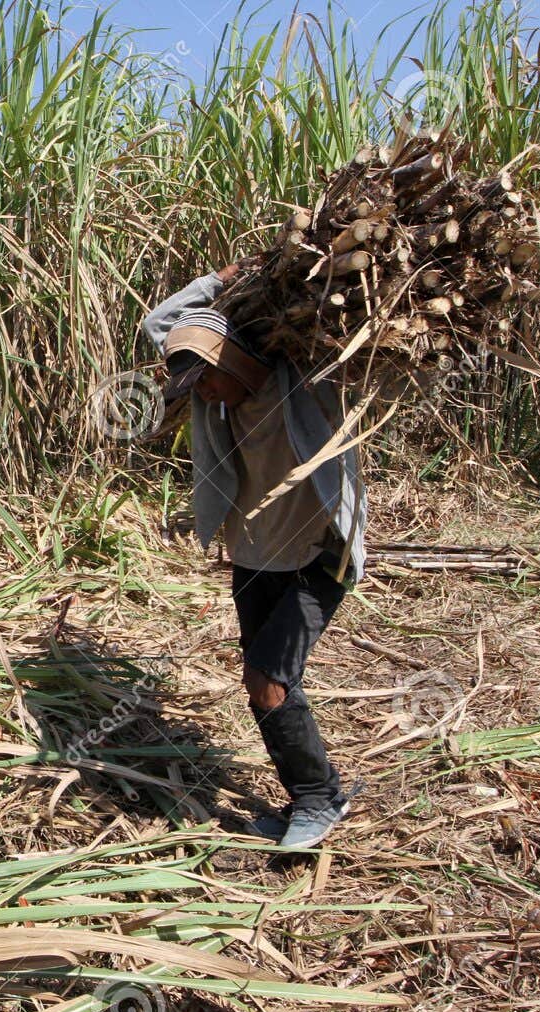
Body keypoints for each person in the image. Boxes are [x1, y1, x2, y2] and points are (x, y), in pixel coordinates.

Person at [140, 263, 368, 849]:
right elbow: (159, 323)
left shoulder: (307, 385)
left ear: (234, 361)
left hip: (319, 557)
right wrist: (215, 283)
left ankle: (318, 799)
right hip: (254, 555)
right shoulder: (217, 401)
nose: (203, 394)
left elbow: (349, 327)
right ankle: (315, 794)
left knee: (267, 681)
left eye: (208, 380)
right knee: (266, 682)